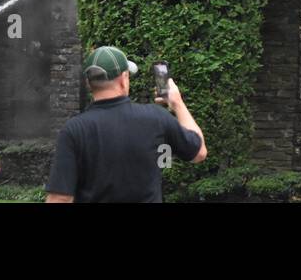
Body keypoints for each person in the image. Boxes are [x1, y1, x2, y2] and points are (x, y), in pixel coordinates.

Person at [46, 46, 207, 203]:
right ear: (124, 79)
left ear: (89, 84)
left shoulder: (73, 130)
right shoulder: (156, 117)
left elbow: (60, 198)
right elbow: (199, 153)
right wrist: (177, 103)